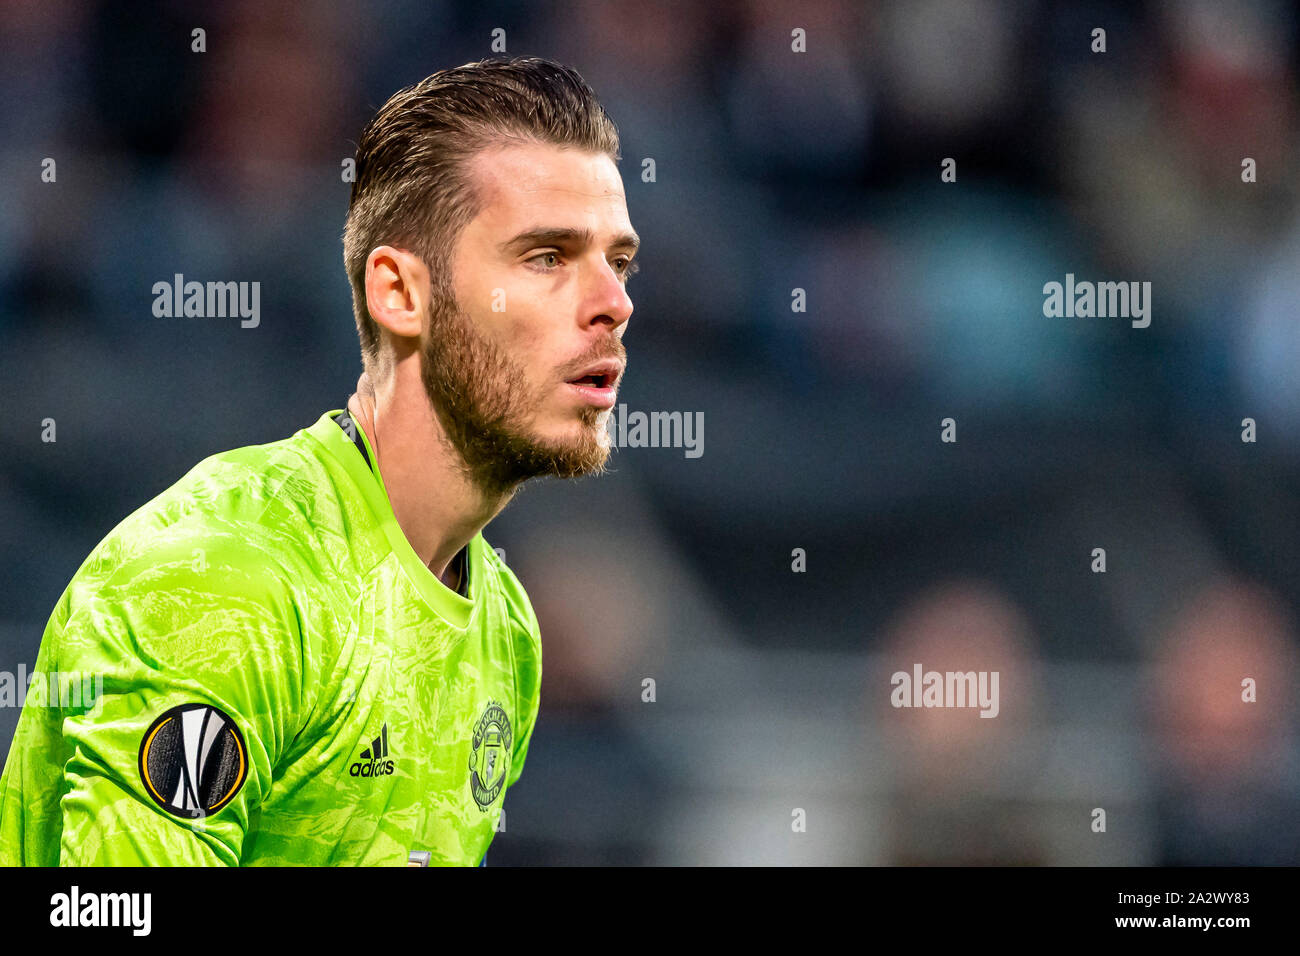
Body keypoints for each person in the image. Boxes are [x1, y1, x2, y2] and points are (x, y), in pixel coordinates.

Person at [0, 55, 639, 866]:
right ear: (399, 295)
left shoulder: (504, 627)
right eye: (546, 257)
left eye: (619, 262)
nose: (614, 303)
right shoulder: (220, 585)